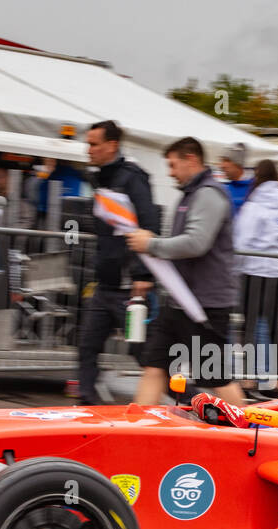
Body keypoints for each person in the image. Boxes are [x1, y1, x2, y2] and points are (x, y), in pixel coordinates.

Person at [126, 136, 244, 406]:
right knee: (154, 366)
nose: (170, 172)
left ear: (191, 159)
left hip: (204, 307)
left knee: (215, 378)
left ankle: (253, 437)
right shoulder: (193, 194)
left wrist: (151, 244)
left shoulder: (208, 194)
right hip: (181, 302)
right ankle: (138, 433)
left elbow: (196, 243)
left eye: (172, 164)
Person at [77, 120, 158, 405]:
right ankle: (87, 405)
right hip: (105, 284)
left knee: (145, 355)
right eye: (88, 143)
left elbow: (149, 224)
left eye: (94, 144)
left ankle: (192, 399)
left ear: (112, 145)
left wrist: (143, 274)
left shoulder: (133, 178)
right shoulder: (100, 177)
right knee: (87, 345)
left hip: (129, 286)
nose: (88, 149)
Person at [233, 159, 278, 392]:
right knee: (275, 328)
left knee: (250, 326)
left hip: (254, 271)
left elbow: (242, 240)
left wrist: (234, 269)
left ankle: (249, 377)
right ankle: (276, 378)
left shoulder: (254, 205)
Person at [218, 143, 252, 214]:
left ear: (238, 163)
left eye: (226, 160)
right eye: (221, 161)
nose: (221, 166)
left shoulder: (254, 188)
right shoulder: (225, 189)